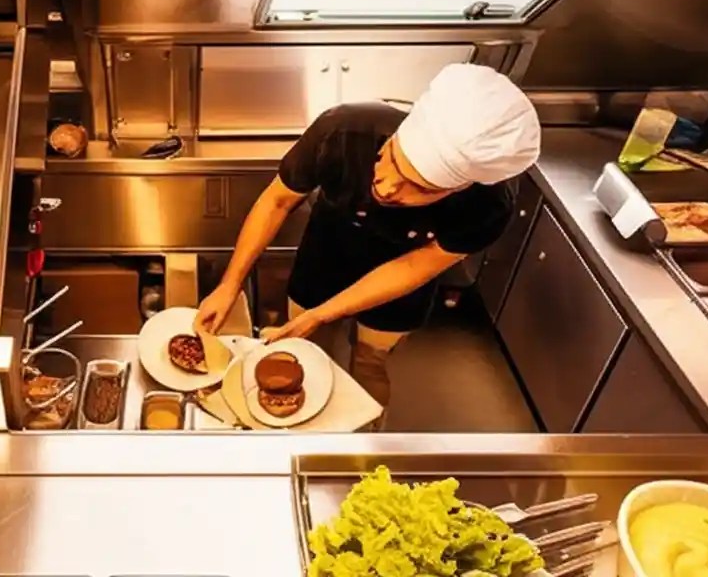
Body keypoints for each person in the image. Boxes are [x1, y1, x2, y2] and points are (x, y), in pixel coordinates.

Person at [194, 63, 541, 417]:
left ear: (459, 187)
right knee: (303, 346)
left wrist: (324, 314)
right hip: (328, 250)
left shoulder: (488, 204)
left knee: (371, 359)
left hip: (401, 274)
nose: (387, 185)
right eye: (390, 157)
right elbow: (277, 200)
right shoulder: (343, 131)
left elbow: (416, 264)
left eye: (419, 187)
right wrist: (229, 285)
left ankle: (364, 439)